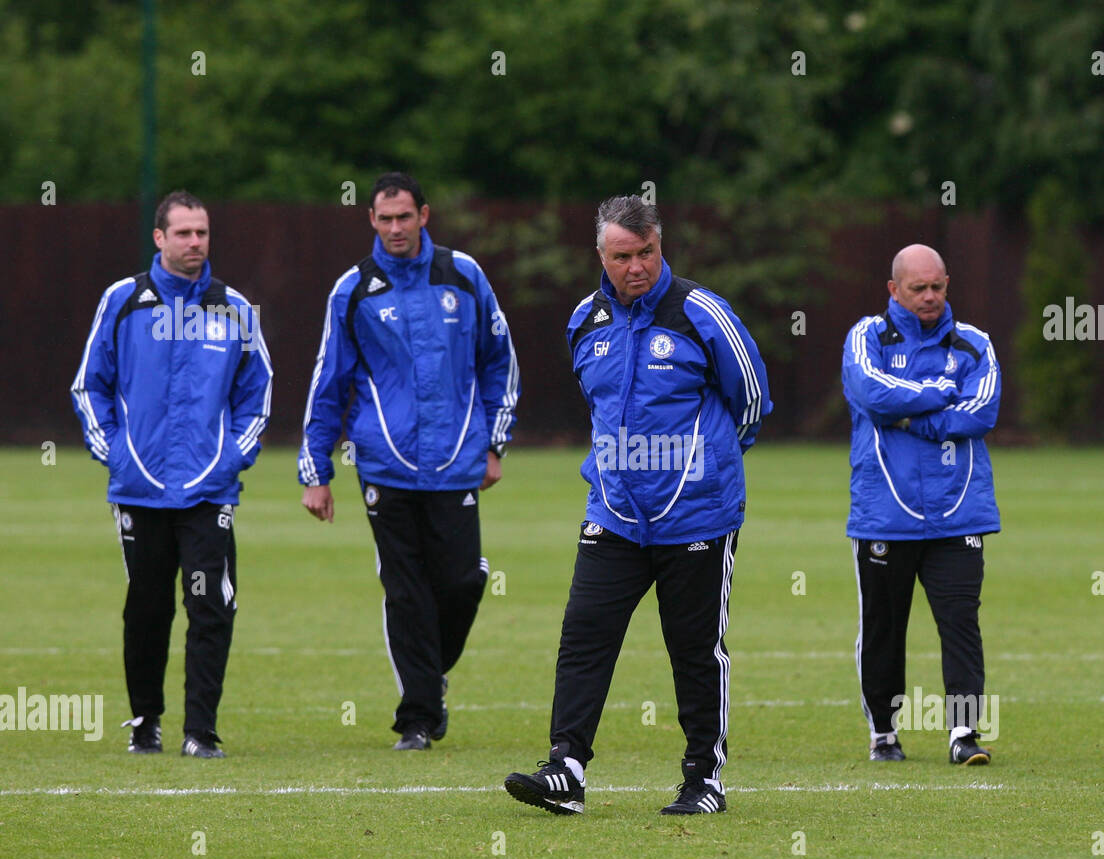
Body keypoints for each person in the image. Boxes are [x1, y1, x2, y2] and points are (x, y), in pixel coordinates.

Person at [504, 196, 772, 816]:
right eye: (622, 256)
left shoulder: (702, 313)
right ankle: (566, 767)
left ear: (661, 246)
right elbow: (599, 407)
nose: (636, 267)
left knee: (695, 648)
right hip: (615, 513)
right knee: (584, 635)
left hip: (697, 516)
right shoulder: (584, 321)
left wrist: (707, 468)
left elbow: (751, 400)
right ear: (600, 256)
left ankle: (704, 777)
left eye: (646, 253)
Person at [298, 172, 519, 750]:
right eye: (384, 218)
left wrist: (494, 444)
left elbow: (501, 363)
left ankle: (428, 673)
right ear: (371, 220)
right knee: (406, 591)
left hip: (455, 462)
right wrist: (315, 472)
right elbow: (328, 383)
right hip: (382, 464)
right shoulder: (353, 291)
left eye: (405, 216)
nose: (395, 228)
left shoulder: (464, 276)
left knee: (461, 581)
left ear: (425, 215)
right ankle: (417, 719)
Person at [71, 190, 274, 759]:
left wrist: (233, 457)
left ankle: (200, 732)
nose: (194, 243)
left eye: (202, 233)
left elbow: (258, 394)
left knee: (211, 604)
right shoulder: (123, 301)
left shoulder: (234, 308)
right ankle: (145, 724)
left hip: (210, 490)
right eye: (182, 233)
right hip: (139, 488)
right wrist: (114, 452)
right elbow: (90, 385)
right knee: (148, 607)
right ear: (159, 238)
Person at [842, 243, 1000, 765]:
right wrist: (938, 392)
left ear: (947, 283)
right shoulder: (867, 337)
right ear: (894, 290)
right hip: (885, 509)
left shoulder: (975, 344)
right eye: (918, 289)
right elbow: (872, 394)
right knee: (885, 626)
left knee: (960, 622)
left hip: (960, 511)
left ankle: (963, 734)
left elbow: (980, 411)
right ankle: (884, 733)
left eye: (937, 286)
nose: (929, 297)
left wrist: (914, 416)